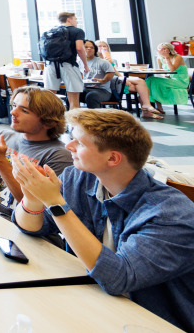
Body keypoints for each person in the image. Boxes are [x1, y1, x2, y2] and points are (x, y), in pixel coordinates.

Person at [11, 108, 194, 331]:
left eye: (79, 142)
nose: (69, 146)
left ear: (113, 158)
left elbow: (119, 278)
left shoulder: (169, 214)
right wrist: (32, 199)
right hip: (93, 303)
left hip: (155, 322)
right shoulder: (78, 178)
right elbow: (34, 228)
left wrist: (55, 204)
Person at [0, 86, 72, 217]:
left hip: (26, 229)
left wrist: (0, 161)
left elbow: (35, 207)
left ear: (48, 122)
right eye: (14, 106)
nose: (12, 112)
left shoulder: (59, 155)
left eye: (24, 110)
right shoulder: (4, 137)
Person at [127, 43, 190, 121]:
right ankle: (149, 106)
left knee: (153, 81)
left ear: (169, 50)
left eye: (164, 49)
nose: (162, 50)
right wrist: (164, 75)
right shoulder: (159, 58)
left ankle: (146, 103)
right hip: (170, 79)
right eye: (160, 48)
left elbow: (172, 70)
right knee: (149, 80)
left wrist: (166, 57)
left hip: (180, 81)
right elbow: (161, 71)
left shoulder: (177, 57)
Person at [41, 12, 88, 110]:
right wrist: (85, 65)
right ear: (68, 19)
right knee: (73, 100)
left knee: (49, 98)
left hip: (50, 65)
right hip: (68, 64)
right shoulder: (77, 31)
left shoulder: (50, 31)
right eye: (75, 19)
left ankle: (50, 123)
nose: (76, 22)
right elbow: (79, 48)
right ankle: (73, 124)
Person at [80, 40, 117, 108]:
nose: (89, 49)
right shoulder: (79, 62)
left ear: (95, 50)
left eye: (92, 47)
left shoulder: (103, 62)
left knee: (91, 96)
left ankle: (95, 118)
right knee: (72, 93)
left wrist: (103, 80)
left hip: (102, 90)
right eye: (86, 47)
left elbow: (111, 72)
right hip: (86, 88)